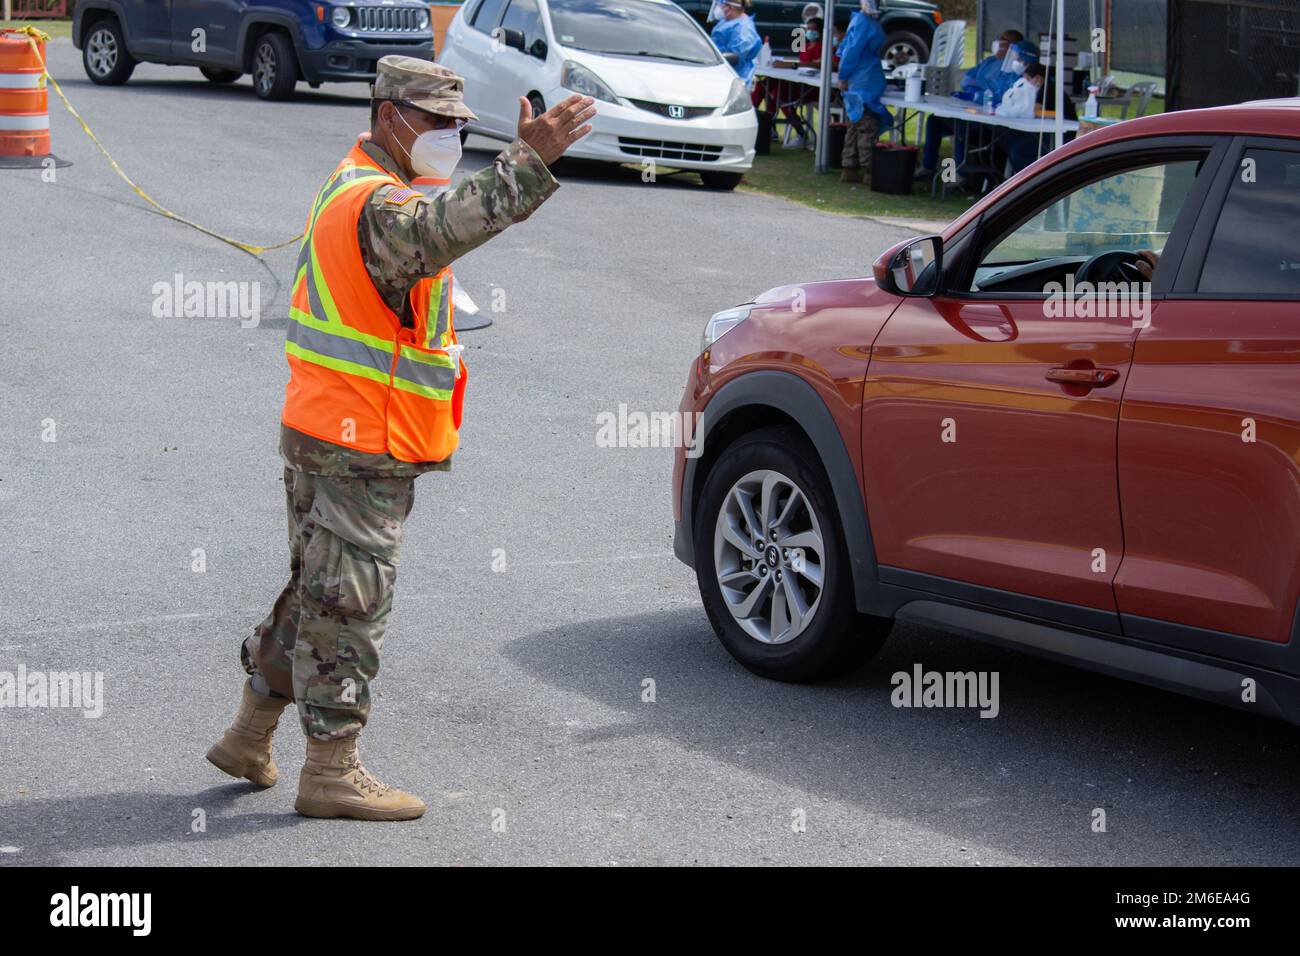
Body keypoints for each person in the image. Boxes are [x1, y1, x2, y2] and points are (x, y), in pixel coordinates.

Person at [206, 56, 596, 822]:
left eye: (458, 125)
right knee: (351, 605)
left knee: (319, 593)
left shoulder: (354, 180)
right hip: (359, 439)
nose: (451, 137)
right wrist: (530, 162)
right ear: (391, 118)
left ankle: (249, 733)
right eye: (439, 123)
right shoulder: (379, 205)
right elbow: (444, 227)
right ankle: (332, 772)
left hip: (327, 428)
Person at [917, 28, 1023, 179]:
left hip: (990, 118)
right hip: (969, 107)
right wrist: (976, 92)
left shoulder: (1012, 70)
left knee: (961, 125)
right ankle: (928, 166)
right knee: (935, 121)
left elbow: (1000, 95)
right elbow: (967, 79)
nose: (999, 43)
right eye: (1000, 39)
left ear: (1013, 47)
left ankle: (959, 174)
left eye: (1004, 41)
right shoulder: (990, 61)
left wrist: (978, 93)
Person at [836, 0, 890, 185]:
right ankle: (869, 170)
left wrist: (844, 74)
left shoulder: (859, 21)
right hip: (864, 81)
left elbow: (848, 50)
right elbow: (851, 51)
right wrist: (843, 74)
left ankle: (849, 167)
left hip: (861, 79)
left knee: (855, 123)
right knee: (866, 126)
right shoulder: (863, 23)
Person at [712, 0, 763, 89]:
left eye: (722, 4)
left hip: (734, 80)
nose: (720, 6)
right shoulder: (727, 21)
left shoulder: (744, 29)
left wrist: (718, 59)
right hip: (720, 74)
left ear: (730, 7)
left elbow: (735, 57)